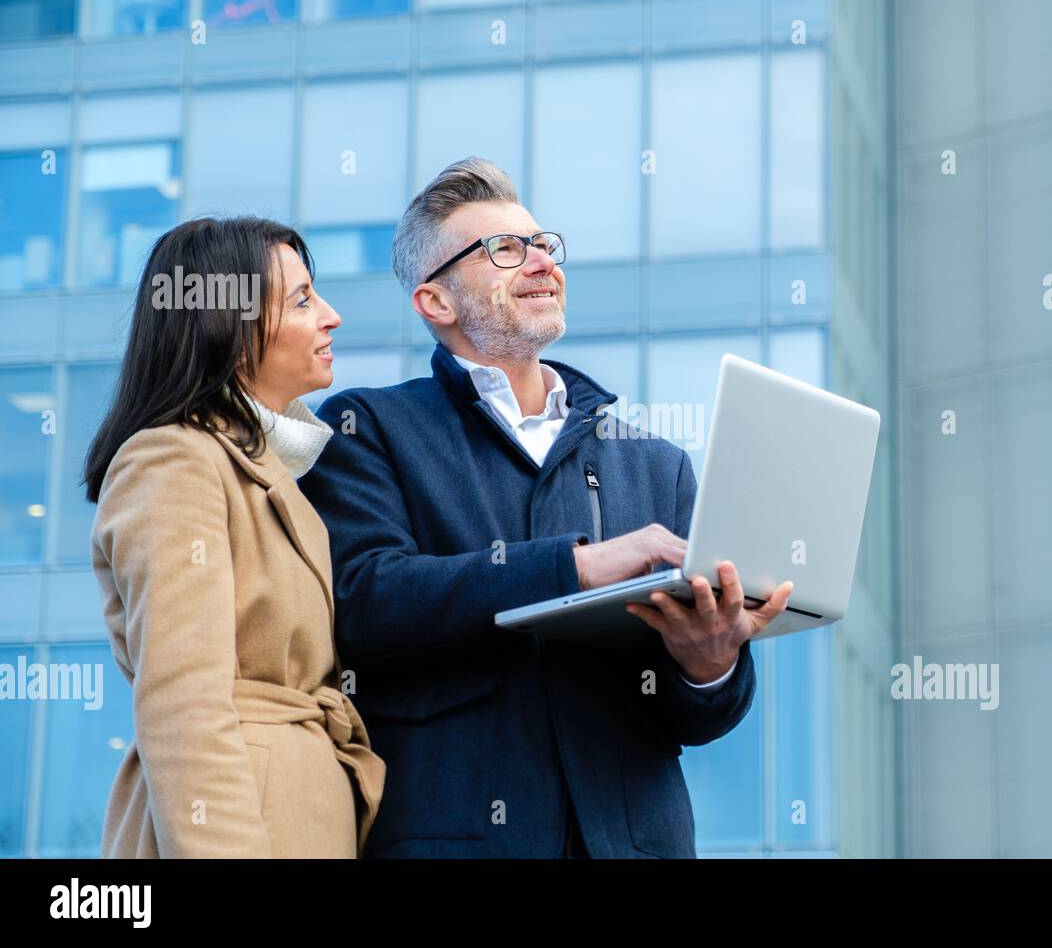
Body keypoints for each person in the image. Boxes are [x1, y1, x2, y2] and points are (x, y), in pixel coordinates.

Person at [299, 158, 791, 858]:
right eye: (504, 250)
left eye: (543, 246)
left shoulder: (654, 464)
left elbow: (692, 717)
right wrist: (574, 568)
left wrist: (706, 664)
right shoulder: (367, 428)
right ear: (435, 302)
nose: (539, 263)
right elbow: (365, 602)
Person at [83, 216, 384, 858]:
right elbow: (183, 703)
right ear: (229, 325)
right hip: (240, 822)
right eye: (302, 300)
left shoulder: (262, 470)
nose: (330, 316)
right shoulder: (172, 460)